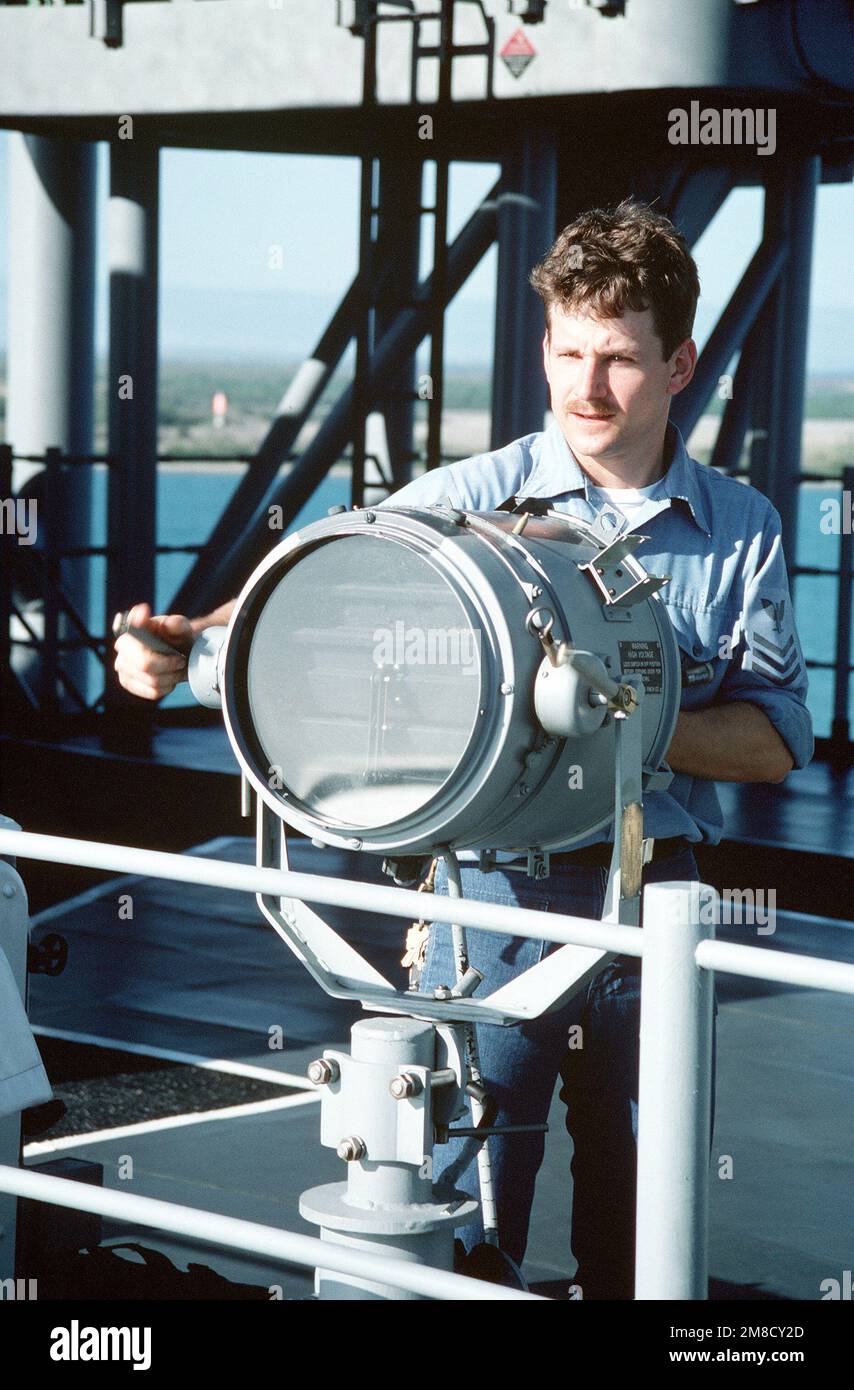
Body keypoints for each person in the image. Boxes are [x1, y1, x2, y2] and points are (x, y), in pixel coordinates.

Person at [114, 200, 814, 1298]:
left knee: (642, 1219)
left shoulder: (741, 529)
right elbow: (318, 586)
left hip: (652, 901)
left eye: (620, 359)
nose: (586, 388)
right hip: (485, 902)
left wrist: (605, 714)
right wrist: (181, 647)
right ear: (543, 349)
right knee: (458, 1198)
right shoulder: (467, 500)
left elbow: (773, 742)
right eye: (568, 352)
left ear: (679, 364)